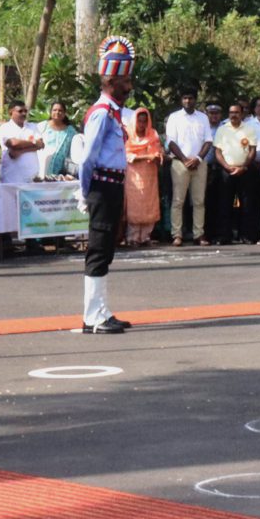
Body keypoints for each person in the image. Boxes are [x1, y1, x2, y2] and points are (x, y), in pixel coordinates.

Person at [71, 37, 139, 337]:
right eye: (124, 80)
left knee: (107, 248)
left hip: (112, 185)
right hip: (101, 185)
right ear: (111, 80)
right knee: (98, 248)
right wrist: (85, 192)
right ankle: (92, 317)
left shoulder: (113, 112)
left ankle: (101, 310)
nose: (129, 86)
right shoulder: (101, 112)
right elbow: (88, 158)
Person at [163, 90, 213, 246]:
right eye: (184, 98)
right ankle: (177, 235)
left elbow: (208, 141)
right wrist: (185, 160)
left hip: (199, 163)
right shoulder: (174, 117)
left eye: (190, 98)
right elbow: (171, 142)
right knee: (178, 201)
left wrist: (197, 158)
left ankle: (199, 234)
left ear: (195, 100)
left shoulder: (203, 117)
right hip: (180, 163)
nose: (187, 101)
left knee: (199, 201)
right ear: (181, 100)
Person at [215, 100, 260, 243]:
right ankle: (225, 236)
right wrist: (226, 166)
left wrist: (243, 167)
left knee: (247, 204)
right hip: (227, 170)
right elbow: (217, 151)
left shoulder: (249, 129)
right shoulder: (222, 129)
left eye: (236, 112)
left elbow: (252, 150)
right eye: (231, 112)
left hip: (245, 171)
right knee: (225, 204)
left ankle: (246, 236)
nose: (233, 115)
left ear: (242, 114)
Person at [123, 110, 163, 244]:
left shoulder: (153, 134)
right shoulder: (128, 135)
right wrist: (147, 156)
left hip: (150, 175)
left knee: (149, 205)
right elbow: (128, 156)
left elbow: (157, 151)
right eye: (139, 121)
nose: (141, 124)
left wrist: (158, 155)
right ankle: (133, 238)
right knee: (134, 206)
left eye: (144, 121)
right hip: (133, 176)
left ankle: (146, 237)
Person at [0, 101, 45, 184]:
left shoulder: (32, 126)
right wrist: (34, 143)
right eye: (20, 111)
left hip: (31, 177)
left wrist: (19, 150)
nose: (23, 113)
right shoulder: (5, 128)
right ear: (10, 112)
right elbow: (14, 143)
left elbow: (41, 144)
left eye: (25, 111)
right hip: (11, 177)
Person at [38, 100, 78, 179]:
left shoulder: (71, 131)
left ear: (64, 113)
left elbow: (73, 153)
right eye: (55, 110)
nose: (57, 112)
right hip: (41, 169)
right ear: (50, 112)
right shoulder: (42, 126)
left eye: (60, 110)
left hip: (60, 174)